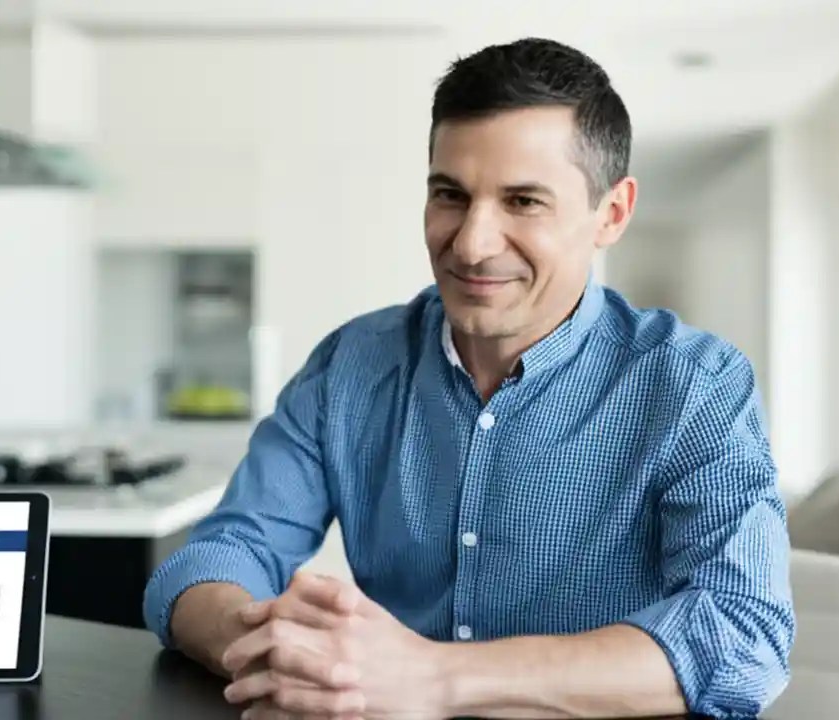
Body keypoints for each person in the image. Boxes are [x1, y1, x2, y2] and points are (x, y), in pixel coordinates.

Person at [144, 37, 794, 720]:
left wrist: (436, 678)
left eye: (522, 202)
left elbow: (742, 636)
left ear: (612, 214)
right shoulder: (351, 366)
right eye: (450, 194)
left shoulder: (695, 385)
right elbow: (215, 560)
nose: (472, 243)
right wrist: (295, 659)